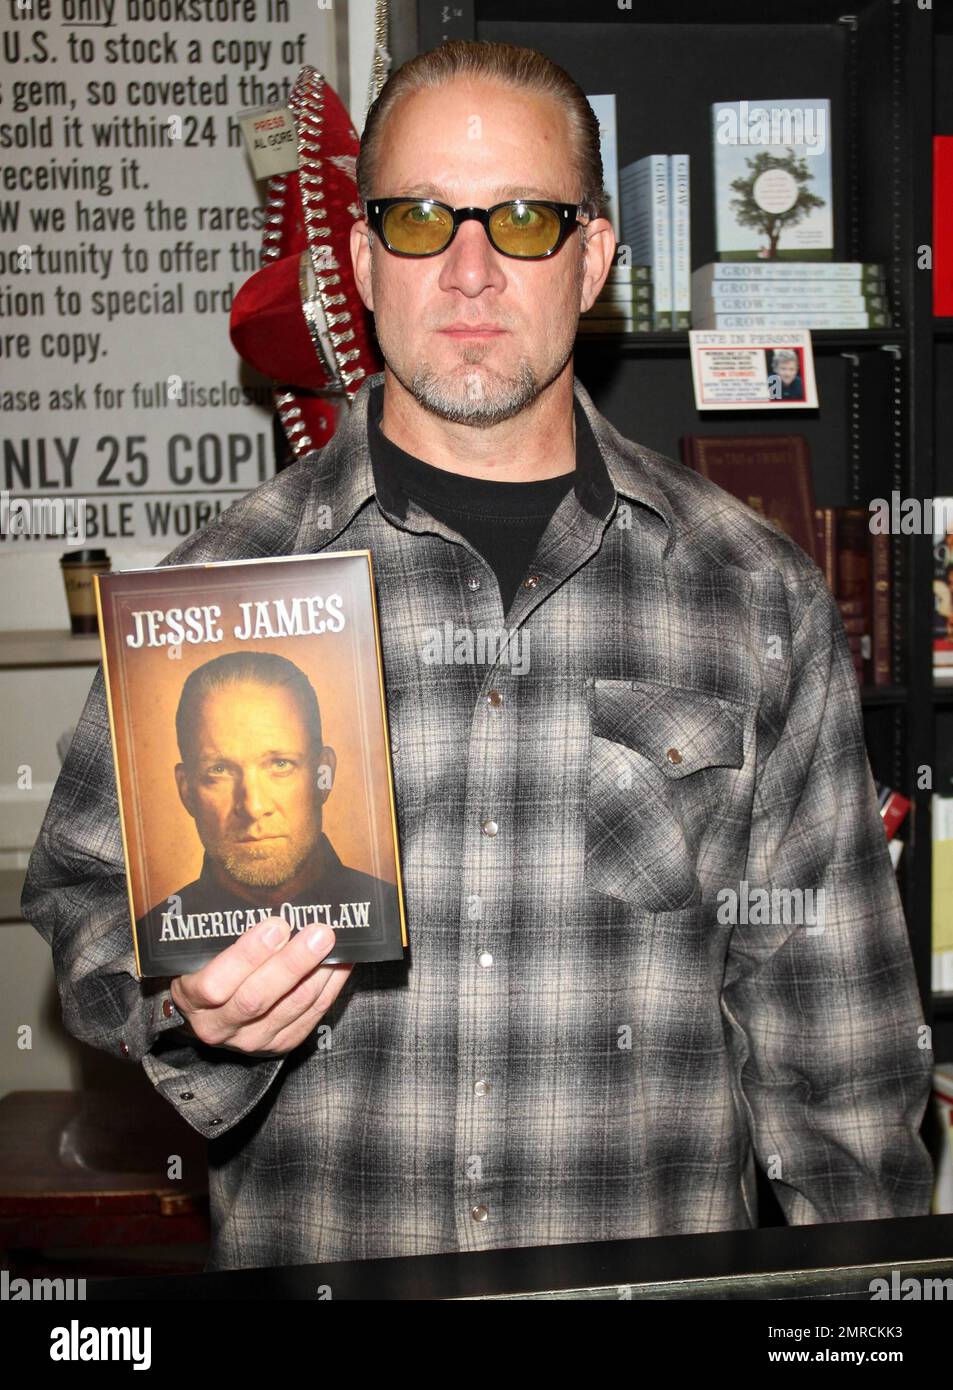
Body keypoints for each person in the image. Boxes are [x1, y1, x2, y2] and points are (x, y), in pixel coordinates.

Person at [22, 39, 934, 1271]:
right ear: (356, 262)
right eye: (414, 218)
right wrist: (178, 1002)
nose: (467, 268)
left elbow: (842, 1061)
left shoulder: (747, 590)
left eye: (521, 218)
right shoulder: (213, 591)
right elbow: (80, 889)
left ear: (594, 259)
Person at [134, 651, 399, 969]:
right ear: (186, 790)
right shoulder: (147, 943)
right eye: (219, 770)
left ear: (323, 775)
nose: (253, 806)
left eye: (280, 764)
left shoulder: (396, 914)